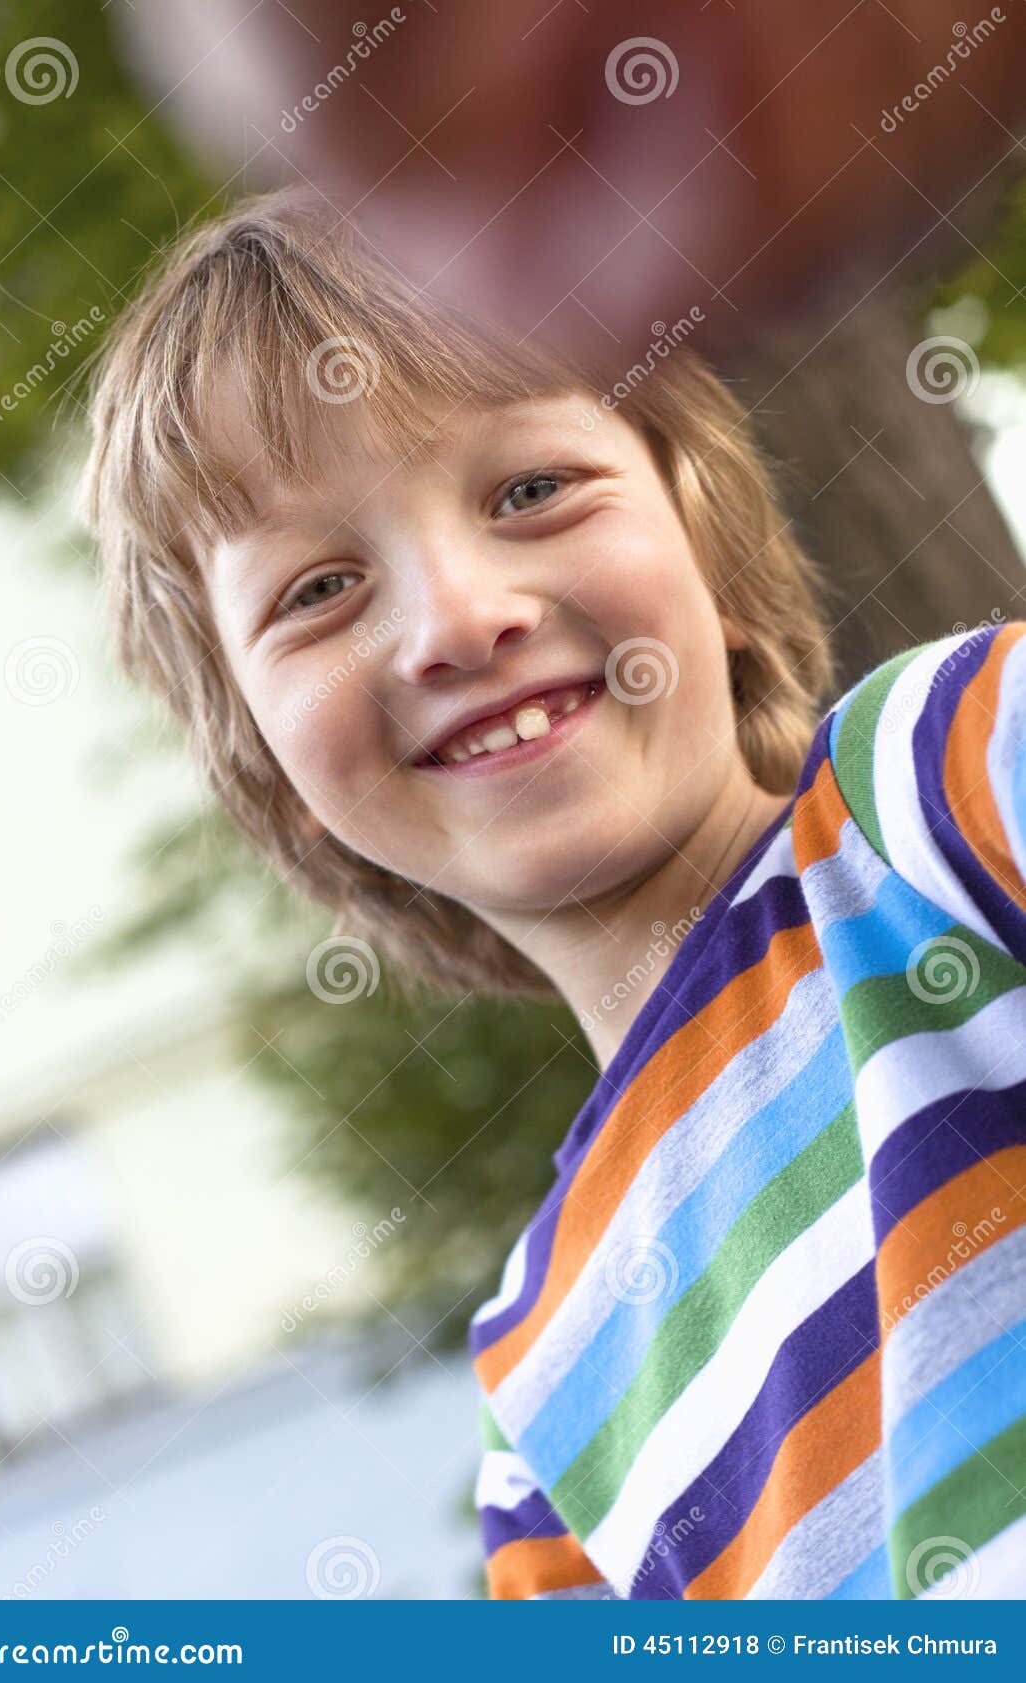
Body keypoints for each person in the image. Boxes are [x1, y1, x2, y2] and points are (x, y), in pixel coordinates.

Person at [83, 185, 1026, 1600]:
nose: (460, 618)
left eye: (531, 489)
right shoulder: (537, 1415)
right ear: (264, 762)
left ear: (702, 533)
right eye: (320, 589)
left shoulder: (949, 785)